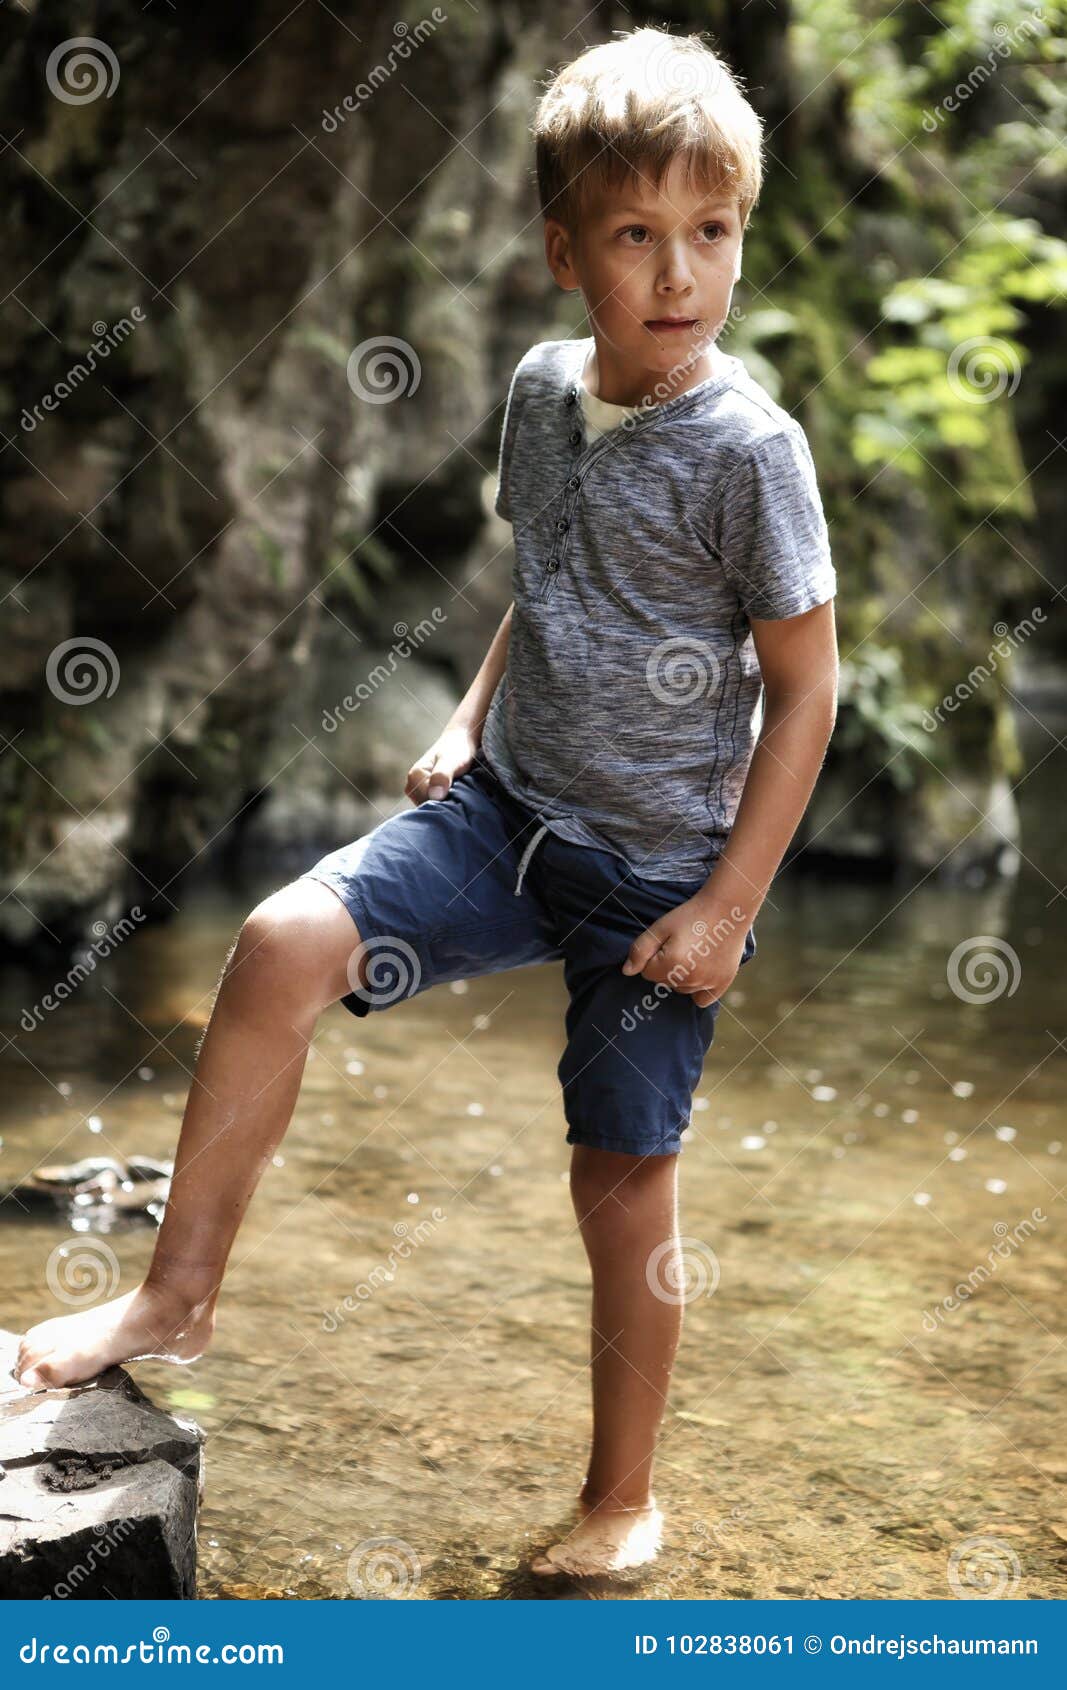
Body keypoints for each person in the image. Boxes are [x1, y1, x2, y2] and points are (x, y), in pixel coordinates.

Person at [14, 25, 839, 1579]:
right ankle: (174, 1292)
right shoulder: (541, 393)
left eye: (711, 233)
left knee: (620, 1172)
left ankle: (620, 1489)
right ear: (560, 252)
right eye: (635, 235)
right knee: (273, 943)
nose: (679, 272)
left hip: (655, 877)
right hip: (501, 811)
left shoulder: (752, 452)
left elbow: (808, 689)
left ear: (742, 236)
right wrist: (466, 721)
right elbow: (549, 581)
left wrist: (728, 906)